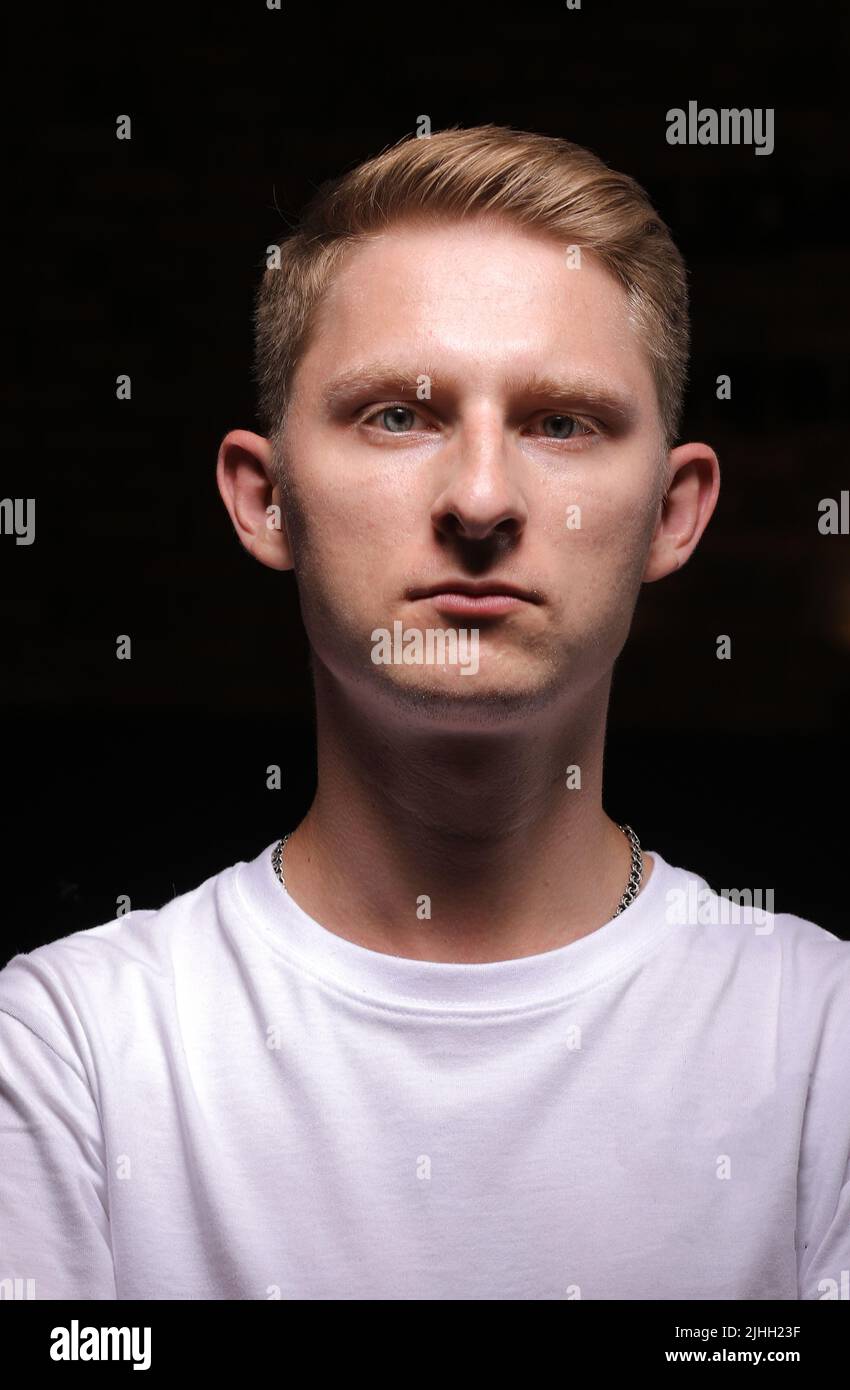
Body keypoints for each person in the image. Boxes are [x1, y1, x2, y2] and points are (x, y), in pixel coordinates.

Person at [1, 125, 847, 1302]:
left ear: (673, 510)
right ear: (264, 499)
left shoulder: (823, 1047)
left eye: (561, 422)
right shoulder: (67, 1050)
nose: (483, 499)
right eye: (399, 416)